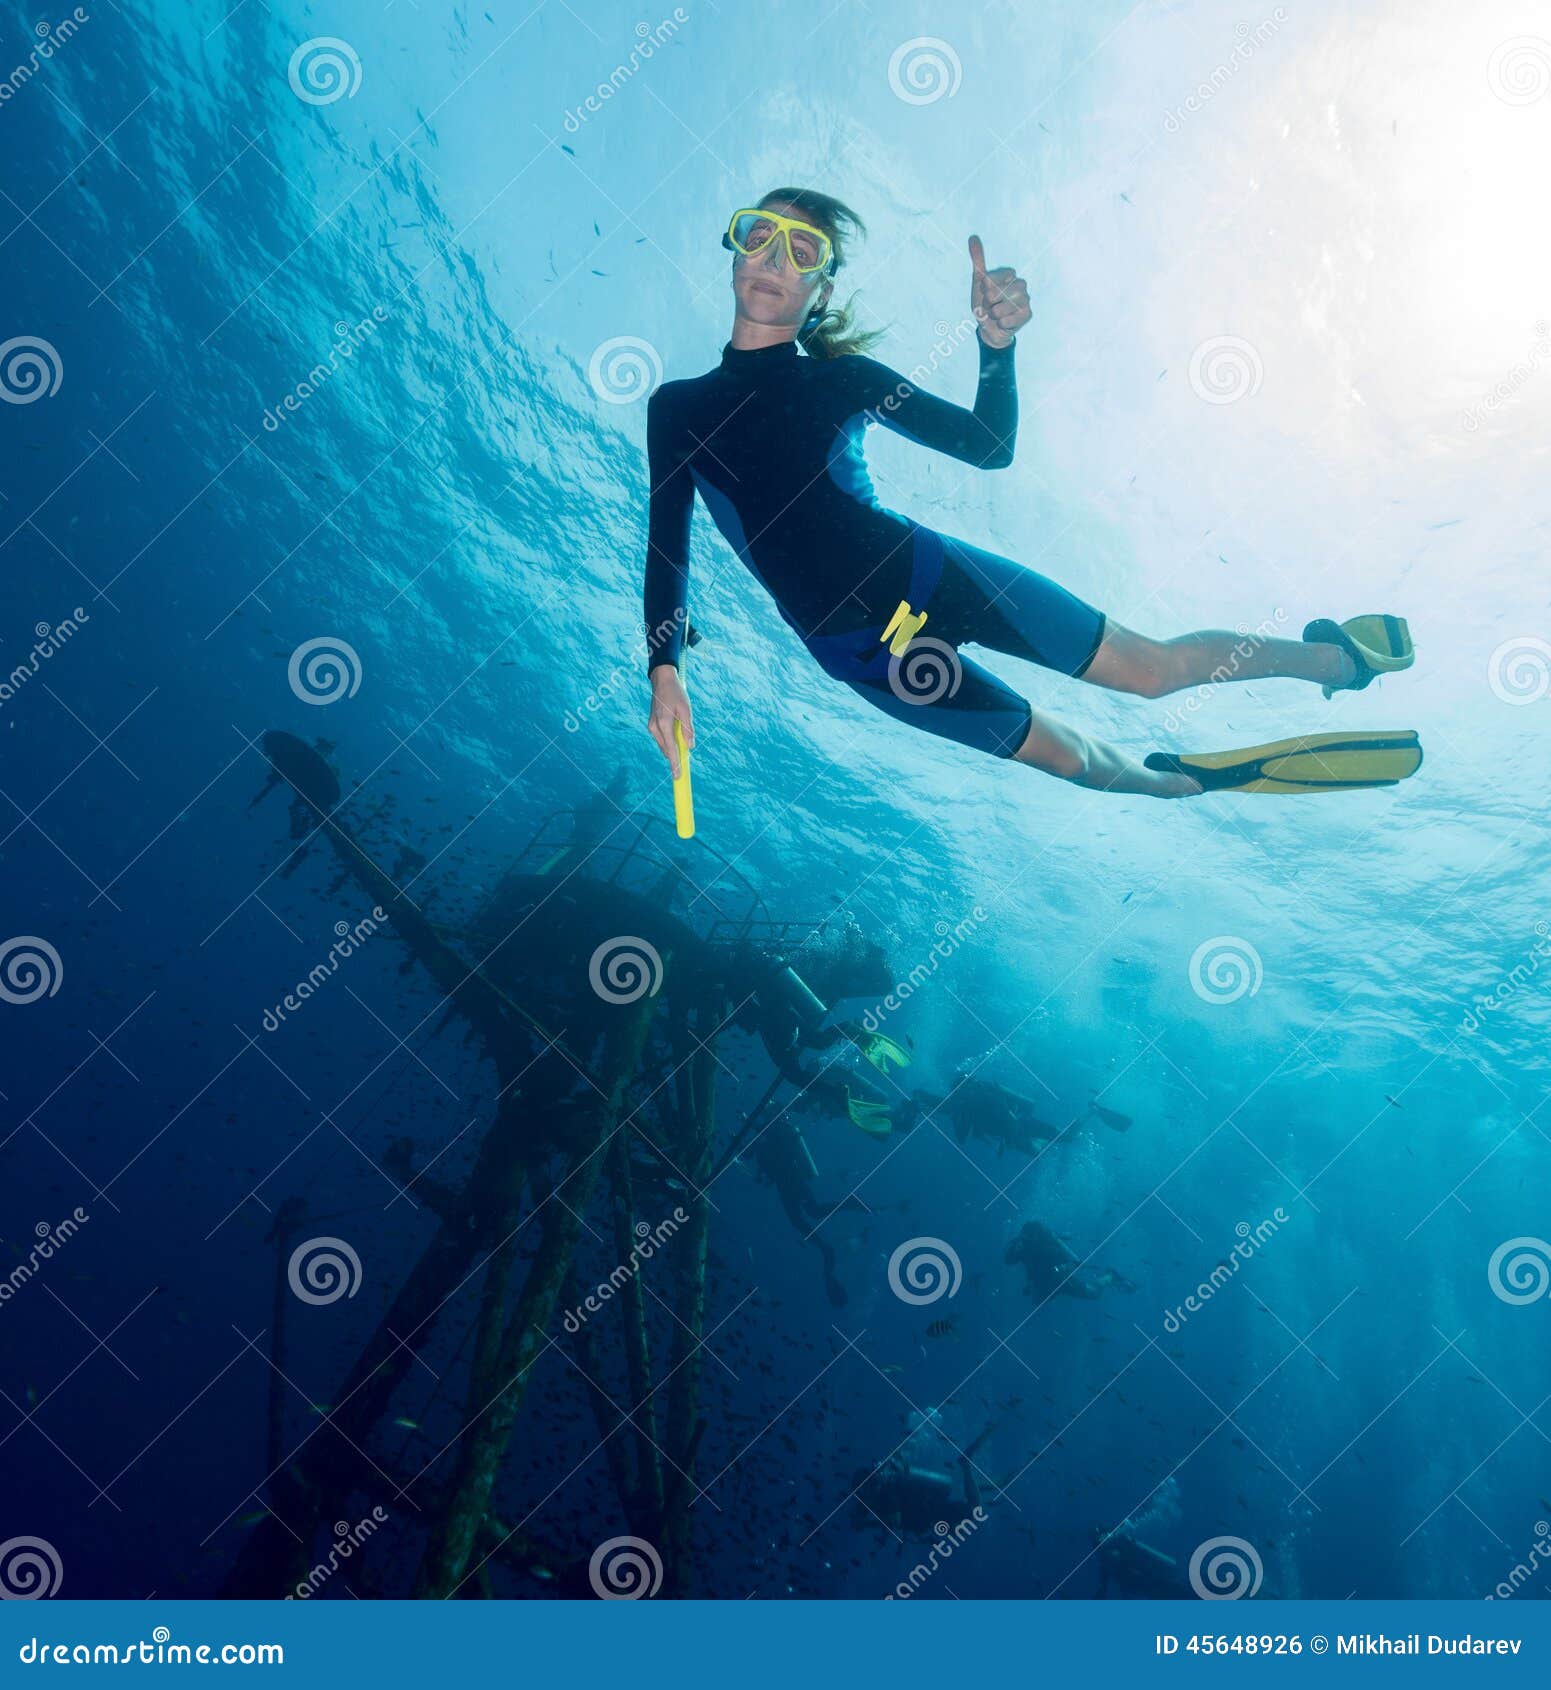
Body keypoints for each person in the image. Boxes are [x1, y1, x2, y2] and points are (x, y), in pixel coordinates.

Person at [642, 188, 1418, 799]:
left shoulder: (846, 378)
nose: (773, 256)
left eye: (801, 248)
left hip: (931, 572)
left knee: (1148, 671)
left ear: (820, 288)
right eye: (757, 234)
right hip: (864, 650)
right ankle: (1183, 783)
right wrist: (664, 671)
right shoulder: (677, 409)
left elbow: (987, 448)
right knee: (1069, 759)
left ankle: (1334, 659)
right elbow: (665, 548)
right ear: (734, 251)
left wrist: (995, 345)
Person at [1005, 1219, 1135, 1302]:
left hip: (1060, 1280)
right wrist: (1014, 1250)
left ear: (1035, 1237)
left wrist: (1063, 1270)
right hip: (1043, 1283)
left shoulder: (1047, 1248)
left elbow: (1064, 1260)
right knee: (1037, 1301)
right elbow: (1008, 1261)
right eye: (1024, 1238)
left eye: (1029, 1238)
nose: (1026, 1240)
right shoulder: (1022, 1247)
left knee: (1093, 1293)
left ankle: (1109, 1277)